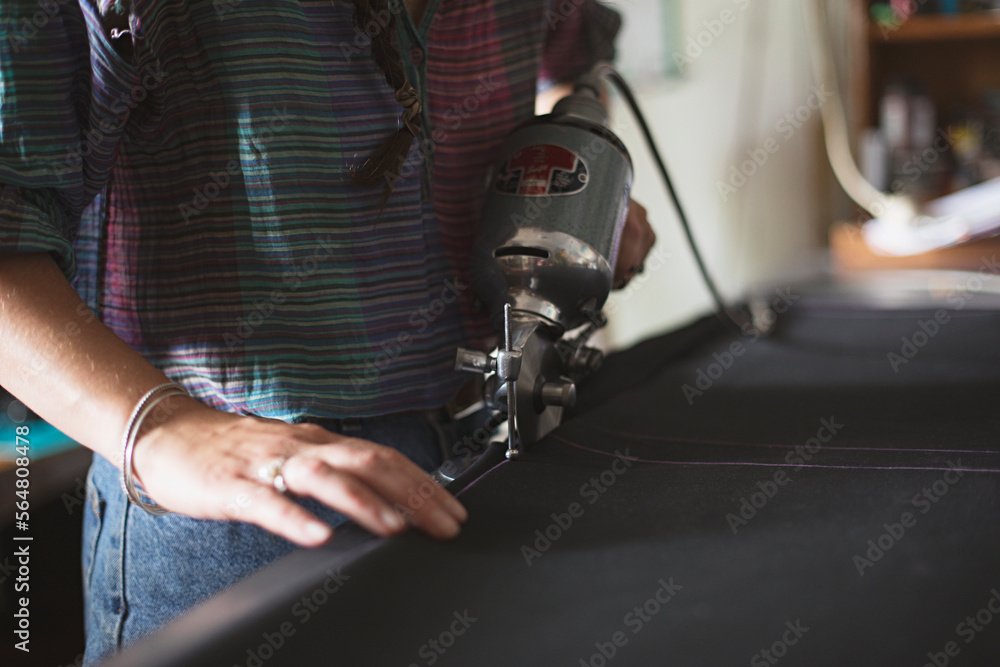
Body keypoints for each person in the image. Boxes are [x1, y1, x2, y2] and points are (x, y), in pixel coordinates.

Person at [0, 0, 654, 663]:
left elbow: (574, 63)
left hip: (494, 445)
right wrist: (159, 425)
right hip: (243, 504)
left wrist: (578, 188)